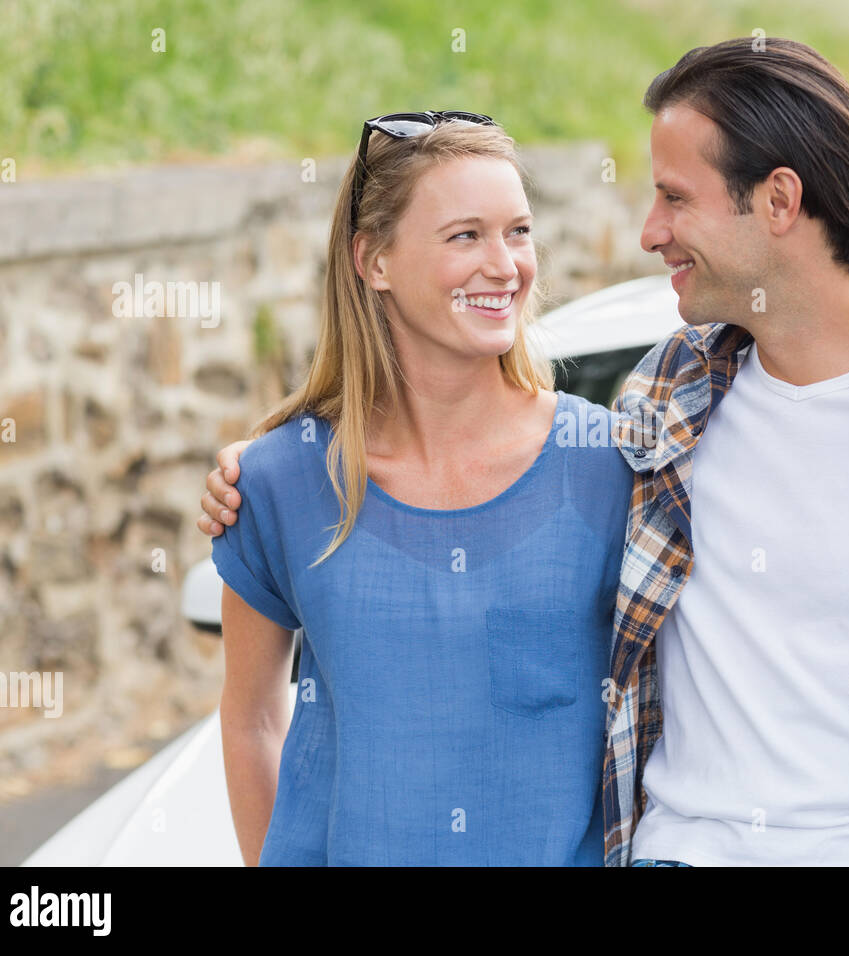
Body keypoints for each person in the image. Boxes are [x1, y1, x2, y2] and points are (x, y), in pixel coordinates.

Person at [203, 40, 849, 868]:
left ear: (776, 201)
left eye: (674, 199)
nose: (647, 231)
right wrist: (267, 471)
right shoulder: (665, 398)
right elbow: (451, 474)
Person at [206, 111, 632, 865]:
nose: (505, 266)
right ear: (374, 261)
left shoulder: (607, 464)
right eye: (465, 235)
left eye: (519, 231)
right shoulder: (277, 481)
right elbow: (251, 723)